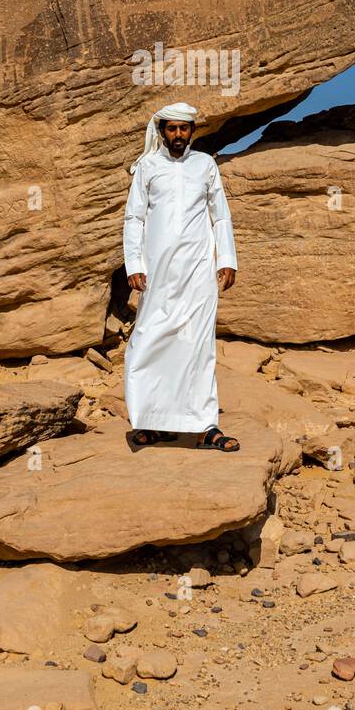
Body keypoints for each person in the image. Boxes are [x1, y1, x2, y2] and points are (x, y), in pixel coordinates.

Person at [122, 101, 239, 451]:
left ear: (192, 131)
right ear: (161, 132)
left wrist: (227, 258)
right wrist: (135, 264)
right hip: (157, 272)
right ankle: (148, 421)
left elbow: (221, 215)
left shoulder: (204, 165)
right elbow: (134, 219)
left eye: (183, 129)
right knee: (149, 340)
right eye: (171, 129)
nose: (177, 135)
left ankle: (205, 426)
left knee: (198, 345)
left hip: (198, 270)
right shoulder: (147, 167)